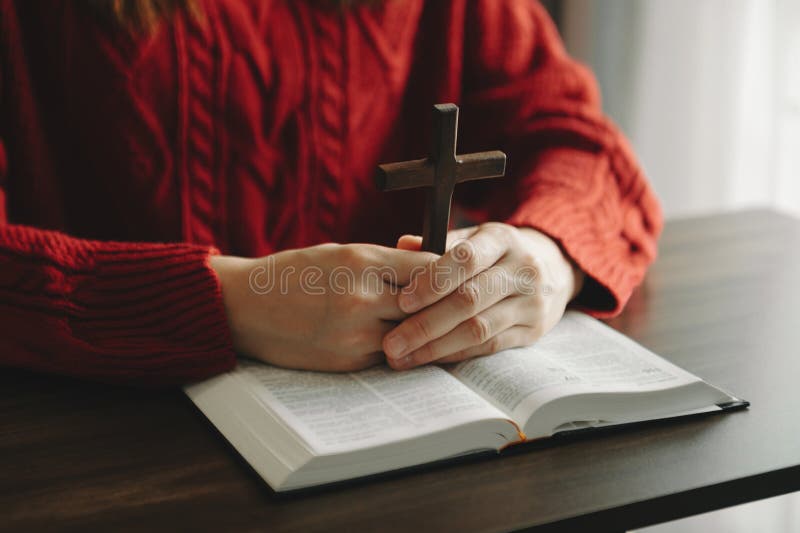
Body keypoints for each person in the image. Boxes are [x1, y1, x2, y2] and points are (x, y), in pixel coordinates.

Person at [0, 0, 662, 386]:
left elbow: (579, 141)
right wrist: (232, 300)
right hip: (101, 445)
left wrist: (544, 257)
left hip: (388, 427)